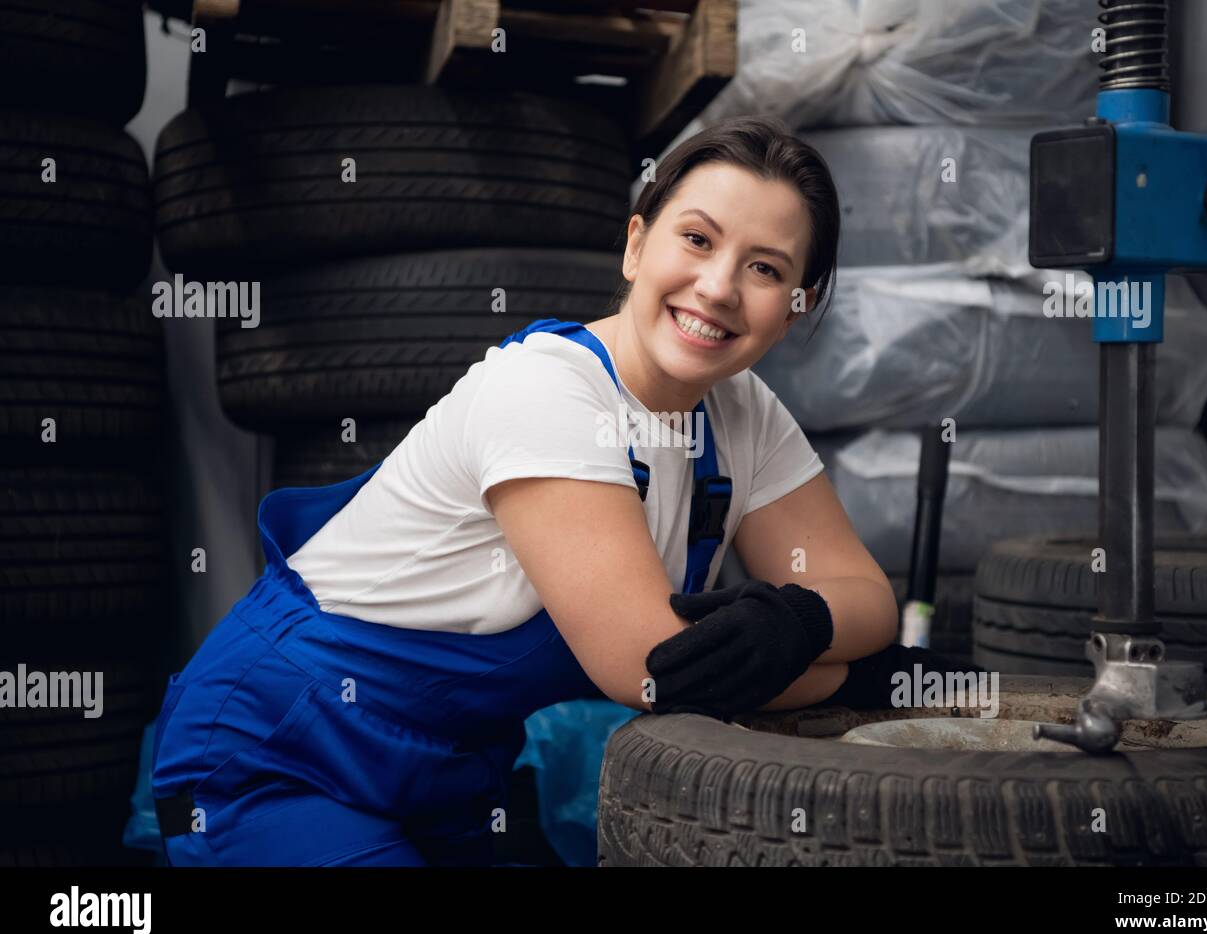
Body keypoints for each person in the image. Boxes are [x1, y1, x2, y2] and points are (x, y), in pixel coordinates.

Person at [150, 114, 950, 868]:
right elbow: (655, 668)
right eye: (697, 239)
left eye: (766, 268)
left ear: (795, 309)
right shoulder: (546, 394)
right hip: (273, 758)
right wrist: (854, 671)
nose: (717, 287)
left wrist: (801, 619)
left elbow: (865, 597)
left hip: (443, 774)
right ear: (636, 245)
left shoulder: (743, 415)